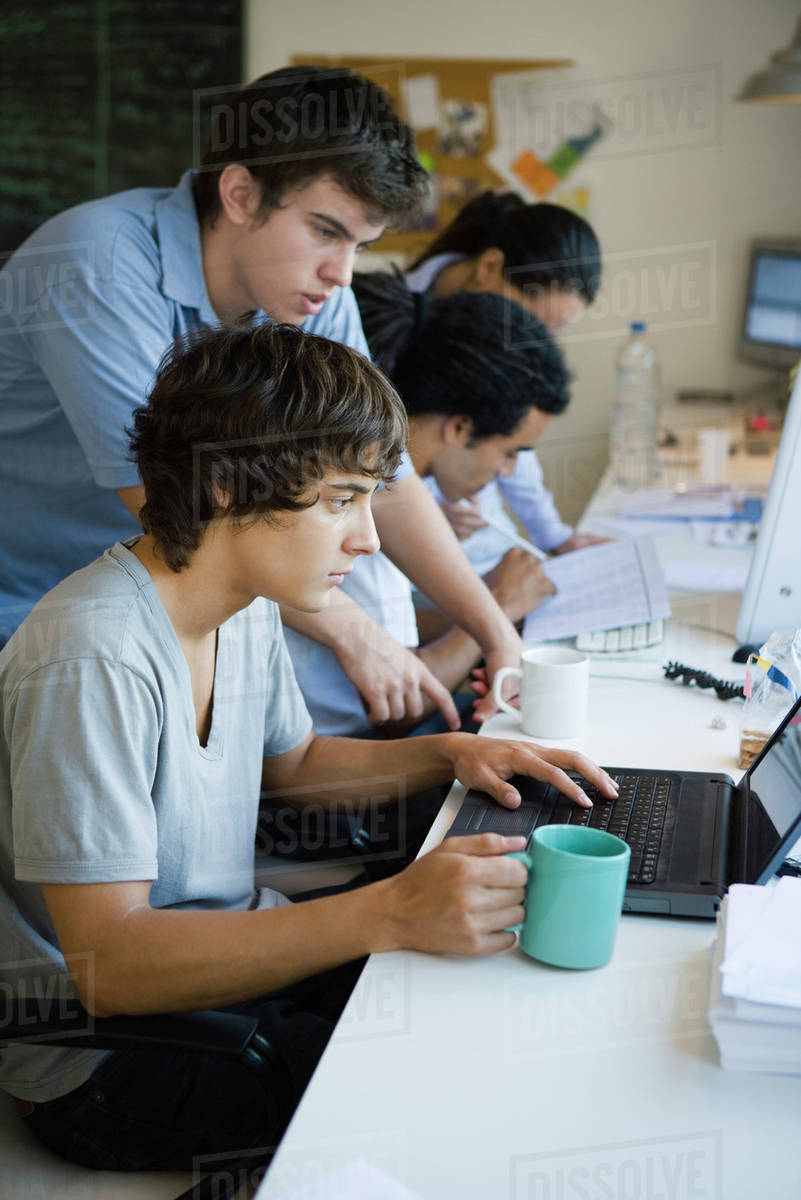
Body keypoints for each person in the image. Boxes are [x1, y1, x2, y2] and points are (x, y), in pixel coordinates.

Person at [0, 323, 618, 1176]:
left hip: (227, 968)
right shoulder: (91, 654)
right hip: (111, 1063)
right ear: (223, 485)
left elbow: (292, 770)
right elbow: (116, 969)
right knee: (461, 1100)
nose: (367, 539)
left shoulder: (244, 600)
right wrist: (390, 910)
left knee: (486, 1003)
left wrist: (452, 755)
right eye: (339, 500)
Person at [0, 65, 522, 730]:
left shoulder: (308, 292)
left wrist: (492, 629)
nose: (341, 273)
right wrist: (361, 637)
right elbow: (176, 510)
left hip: (176, 597)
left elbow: (378, 471)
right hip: (40, 614)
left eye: (360, 245)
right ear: (241, 194)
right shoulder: (97, 267)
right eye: (325, 230)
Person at [284, 283, 568, 736]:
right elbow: (399, 706)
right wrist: (498, 604)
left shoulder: (398, 506)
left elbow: (400, 629)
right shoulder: (350, 514)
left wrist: (486, 613)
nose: (511, 472)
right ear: (458, 427)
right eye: (511, 451)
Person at [364, 191, 607, 570]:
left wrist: (556, 538)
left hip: (466, 547)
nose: (534, 341)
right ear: (490, 265)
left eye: (550, 332)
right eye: (530, 322)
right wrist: (420, 510)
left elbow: (512, 437)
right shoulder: (379, 326)